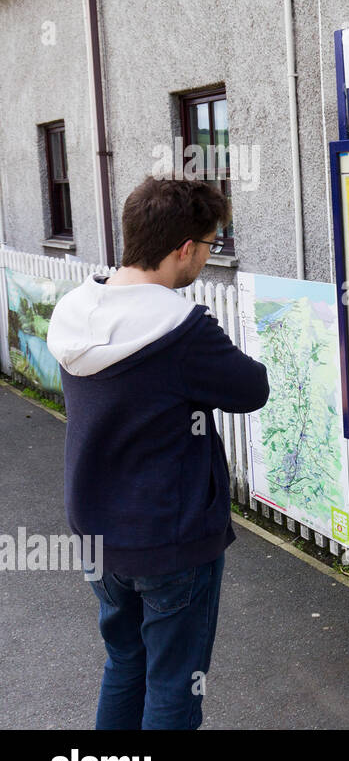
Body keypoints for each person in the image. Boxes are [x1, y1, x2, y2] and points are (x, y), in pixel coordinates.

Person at [47, 175, 269, 730]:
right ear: (184, 249)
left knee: (126, 662)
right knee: (174, 687)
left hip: (97, 532)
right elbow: (252, 388)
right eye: (211, 244)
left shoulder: (75, 310)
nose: (208, 256)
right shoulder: (180, 330)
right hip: (168, 539)